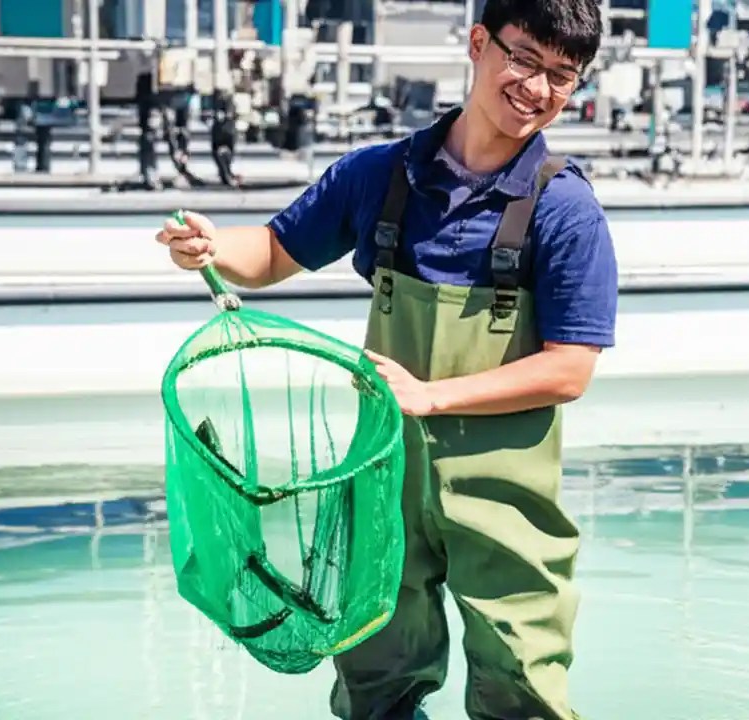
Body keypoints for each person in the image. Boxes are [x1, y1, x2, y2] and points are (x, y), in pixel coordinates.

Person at [154, 0, 616, 717]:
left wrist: (432, 397)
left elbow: (569, 369)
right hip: (380, 484)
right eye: (523, 58)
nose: (536, 88)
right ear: (477, 42)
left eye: (562, 74)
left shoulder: (565, 210)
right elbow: (275, 251)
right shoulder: (379, 176)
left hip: (507, 505)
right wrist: (213, 248)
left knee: (521, 683)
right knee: (376, 679)